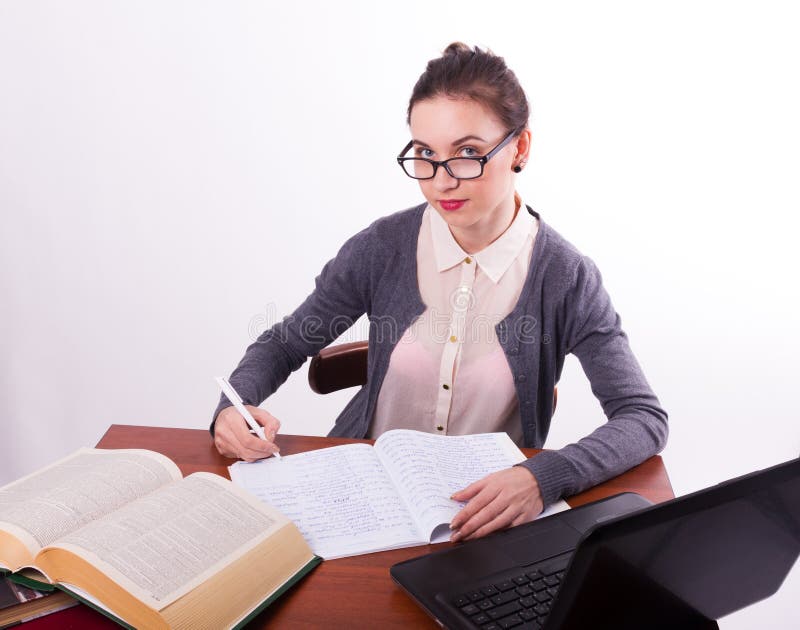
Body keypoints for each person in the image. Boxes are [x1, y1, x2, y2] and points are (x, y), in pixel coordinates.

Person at [210, 42, 668, 543]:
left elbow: (642, 417)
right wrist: (232, 409)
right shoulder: (381, 247)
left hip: (485, 519)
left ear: (520, 148)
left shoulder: (566, 276)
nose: (441, 181)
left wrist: (544, 476)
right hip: (362, 500)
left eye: (468, 153)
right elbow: (284, 343)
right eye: (426, 154)